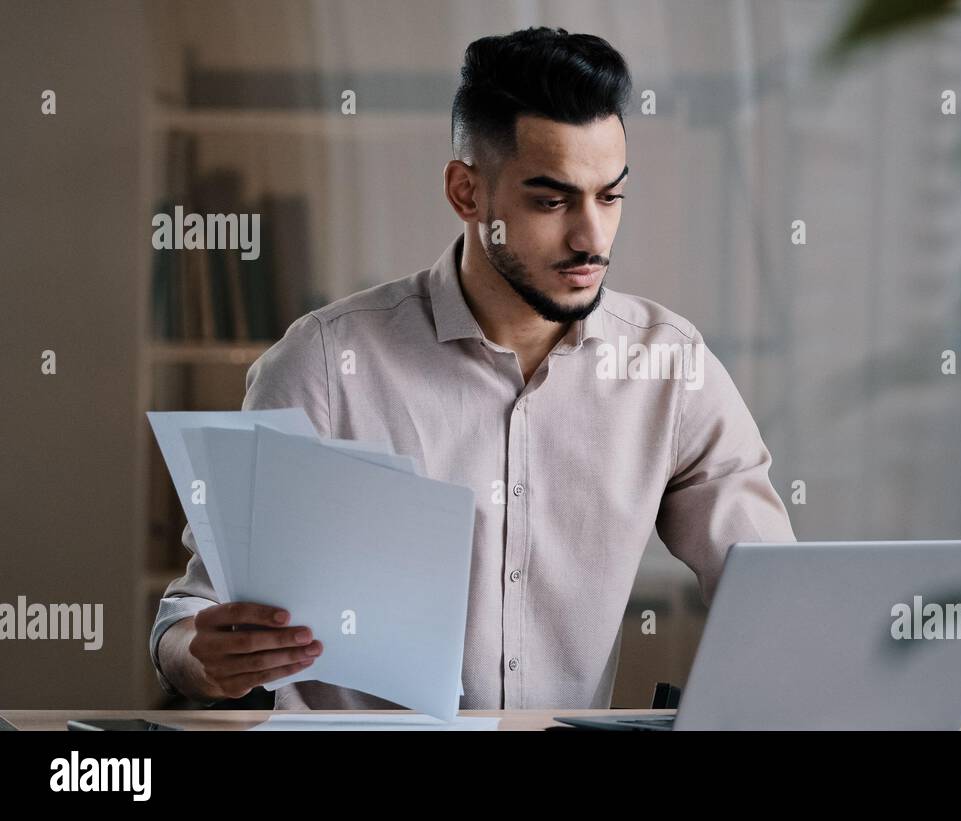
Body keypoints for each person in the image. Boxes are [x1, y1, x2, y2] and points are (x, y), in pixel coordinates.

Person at [151, 26, 794, 710]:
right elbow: (191, 615)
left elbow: (771, 592)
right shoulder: (324, 365)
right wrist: (201, 656)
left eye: (610, 197)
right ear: (466, 193)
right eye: (551, 201)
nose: (591, 238)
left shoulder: (670, 366)